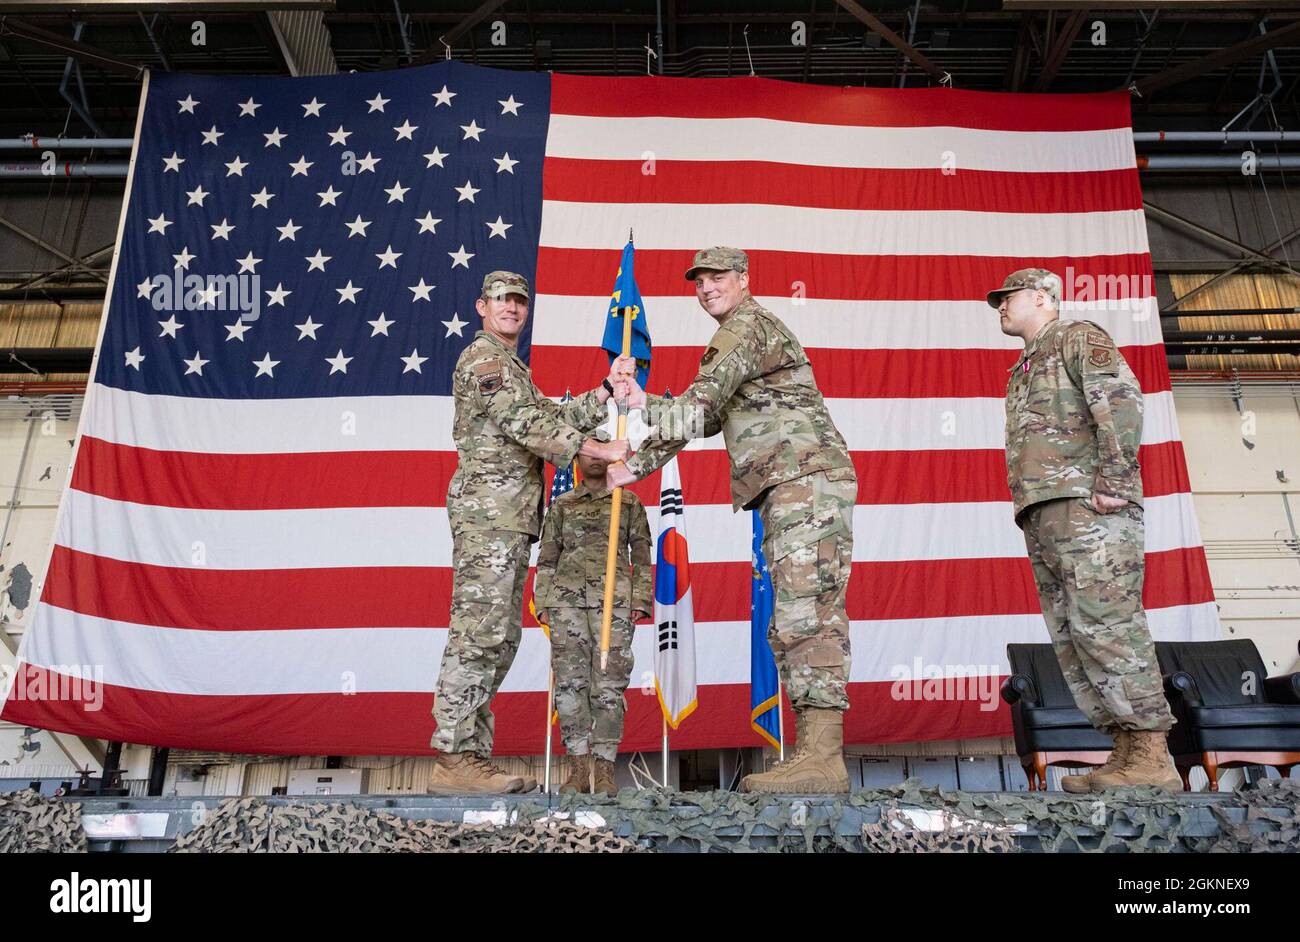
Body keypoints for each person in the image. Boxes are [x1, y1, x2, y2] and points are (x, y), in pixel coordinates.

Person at [606, 246, 858, 794]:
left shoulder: (744, 329)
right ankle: (816, 753)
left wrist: (640, 404)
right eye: (699, 280)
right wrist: (636, 463)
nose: (707, 287)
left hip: (802, 479)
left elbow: (696, 410)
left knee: (807, 613)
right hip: (791, 483)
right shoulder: (742, 331)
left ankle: (824, 758)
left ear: (743, 280)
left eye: (717, 277)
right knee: (791, 616)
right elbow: (708, 415)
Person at [429, 270, 634, 794]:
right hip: (489, 517)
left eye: (519, 300)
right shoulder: (484, 361)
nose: (512, 307)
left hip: (510, 520)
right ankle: (454, 758)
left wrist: (606, 391)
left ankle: (469, 757)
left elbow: (549, 412)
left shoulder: (512, 367)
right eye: (501, 299)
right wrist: (598, 449)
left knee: (498, 637)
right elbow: (529, 426)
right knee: (478, 634)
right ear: (481, 306)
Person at [991, 268, 1179, 793]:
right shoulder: (1025, 365)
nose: (1000, 307)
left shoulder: (1078, 337)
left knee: (1109, 622)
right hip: (1047, 509)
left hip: (1088, 506)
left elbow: (1119, 402)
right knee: (1074, 633)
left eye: (1007, 298)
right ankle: (1123, 750)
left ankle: (1151, 753)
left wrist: (1115, 480)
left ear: (1041, 298)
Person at [535, 451, 653, 796]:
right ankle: (577, 771)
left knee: (609, 687)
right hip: (566, 605)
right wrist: (543, 602)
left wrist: (640, 600)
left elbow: (642, 556)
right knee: (571, 687)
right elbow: (548, 557)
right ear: (576, 461)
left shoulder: (627, 502)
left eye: (604, 453)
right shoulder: (563, 505)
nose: (596, 461)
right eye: (589, 454)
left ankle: (604, 772)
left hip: (613, 606)